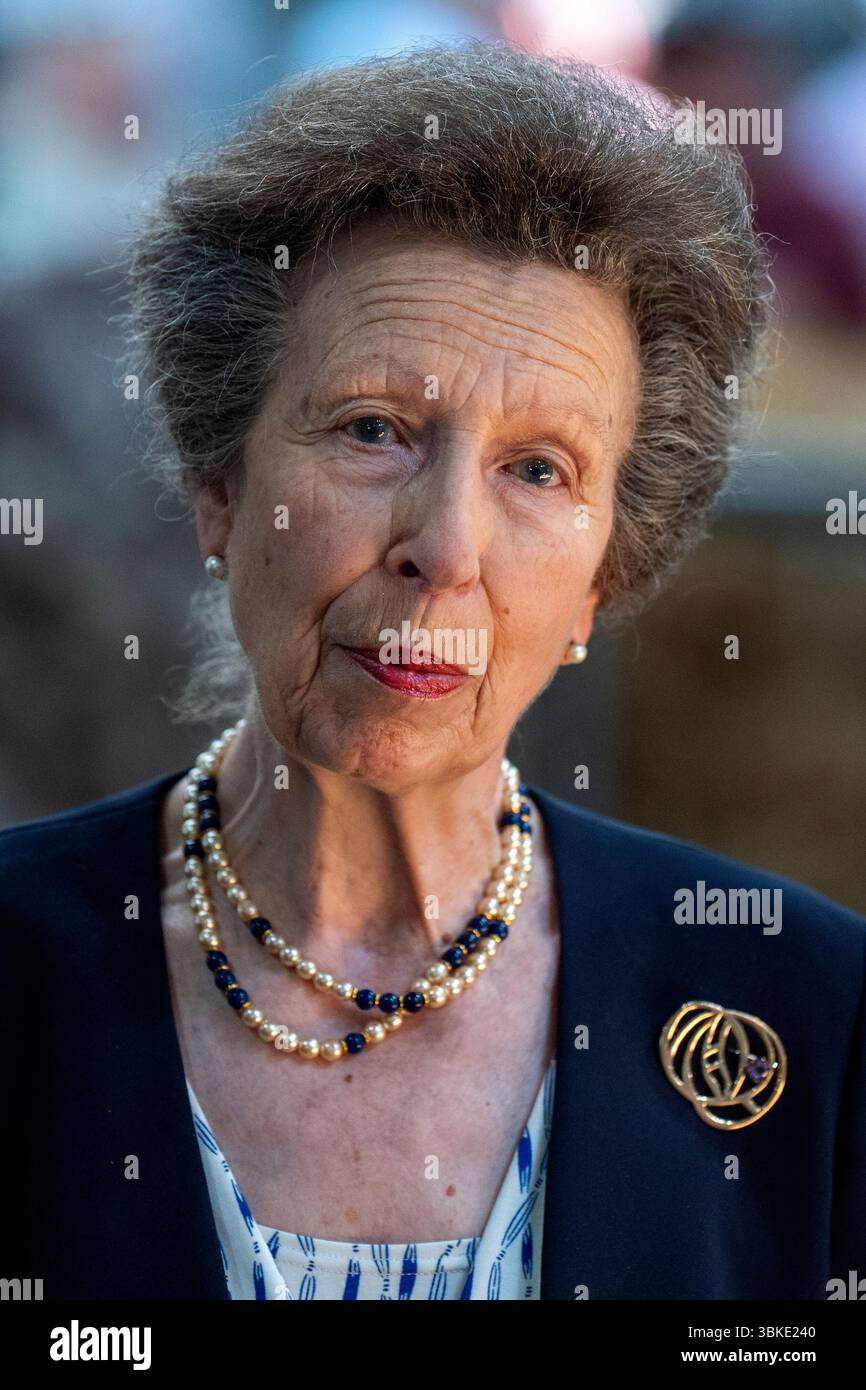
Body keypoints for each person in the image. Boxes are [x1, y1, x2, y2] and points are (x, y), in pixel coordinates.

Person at [2, 39, 863, 1301]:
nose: (445, 547)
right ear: (217, 487)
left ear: (604, 576)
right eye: (371, 430)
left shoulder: (808, 1010)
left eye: (538, 470)